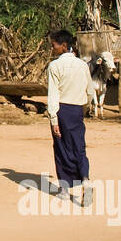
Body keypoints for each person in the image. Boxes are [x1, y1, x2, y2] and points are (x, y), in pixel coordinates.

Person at [46, 29, 92, 206]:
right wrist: (84, 108)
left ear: (63, 45)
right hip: (77, 110)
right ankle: (86, 180)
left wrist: (53, 119)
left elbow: (53, 95)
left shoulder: (55, 66)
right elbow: (89, 92)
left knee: (61, 149)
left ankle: (65, 191)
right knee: (79, 147)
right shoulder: (83, 65)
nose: (53, 48)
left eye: (54, 45)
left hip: (61, 111)